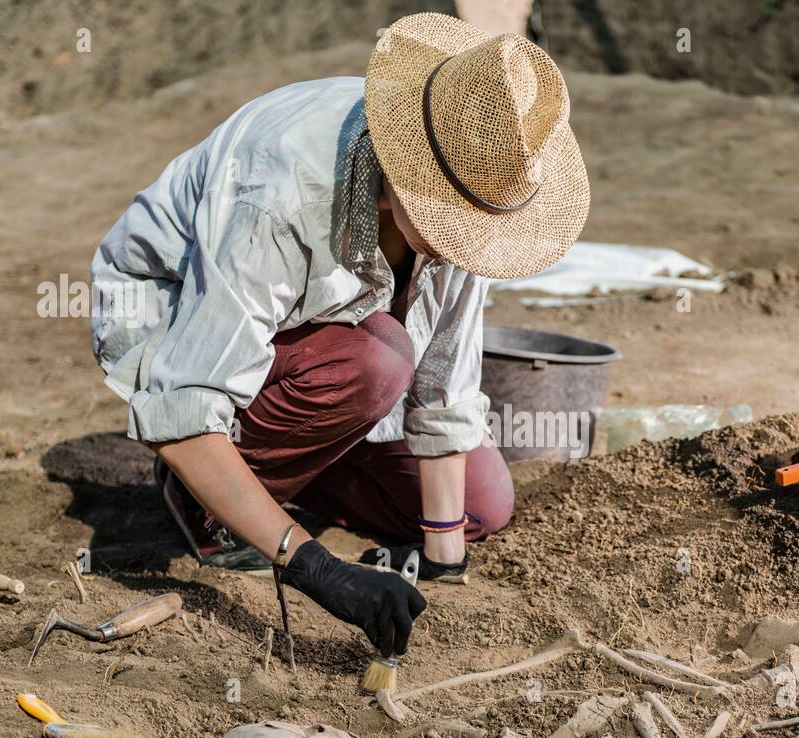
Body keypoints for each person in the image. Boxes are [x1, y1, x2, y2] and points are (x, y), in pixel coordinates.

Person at [88, 13, 590, 663]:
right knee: (376, 361)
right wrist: (317, 569)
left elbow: (444, 383)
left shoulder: (477, 174)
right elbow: (182, 407)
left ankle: (287, 457)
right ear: (404, 181)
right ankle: (204, 500)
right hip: (175, 314)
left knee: (481, 506)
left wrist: (443, 560)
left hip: (320, 340)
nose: (466, 246)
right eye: (453, 224)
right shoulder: (280, 190)